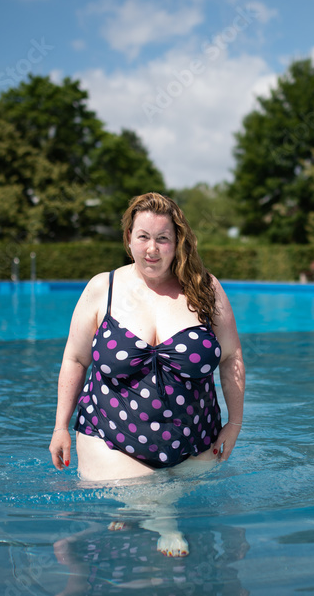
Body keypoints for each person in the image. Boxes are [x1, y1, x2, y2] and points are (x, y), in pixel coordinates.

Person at [49, 192, 246, 484]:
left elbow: (231, 357)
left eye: (163, 238)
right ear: (129, 238)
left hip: (196, 442)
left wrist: (235, 424)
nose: (152, 249)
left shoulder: (206, 289)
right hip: (109, 437)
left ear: (177, 241)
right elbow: (75, 359)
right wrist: (60, 427)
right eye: (143, 237)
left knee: (168, 508)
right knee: (150, 499)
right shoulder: (103, 288)